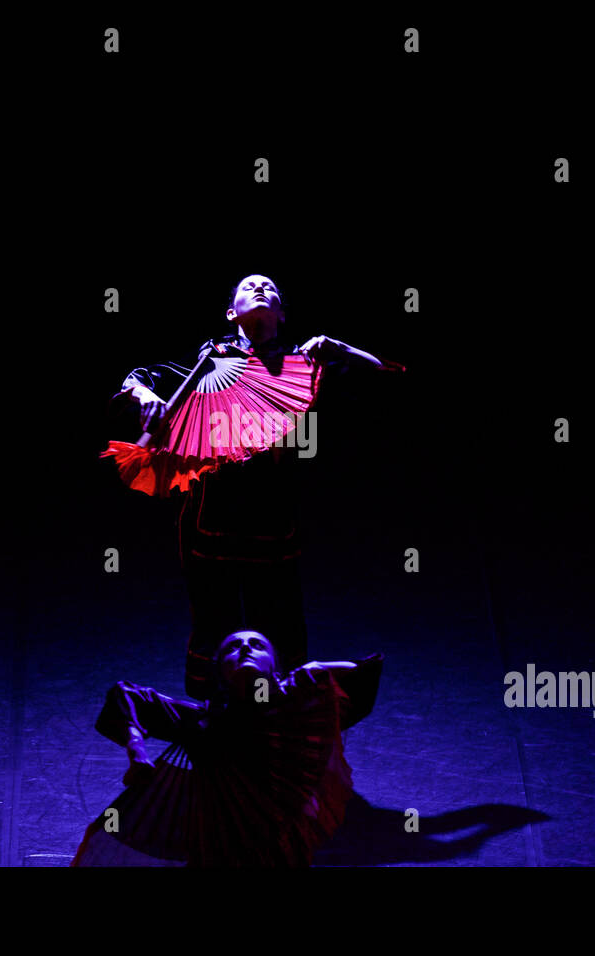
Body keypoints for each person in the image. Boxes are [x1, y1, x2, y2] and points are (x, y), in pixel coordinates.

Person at [111, 274, 397, 699]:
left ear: (282, 314)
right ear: (231, 313)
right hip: (210, 513)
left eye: (271, 287)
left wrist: (341, 347)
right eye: (249, 287)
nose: (261, 289)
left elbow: (384, 378)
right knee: (215, 622)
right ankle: (213, 720)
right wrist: (142, 394)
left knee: (279, 623)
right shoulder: (212, 359)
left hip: (273, 514)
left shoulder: (306, 362)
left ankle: (282, 721)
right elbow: (139, 378)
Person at [71, 630, 383, 866]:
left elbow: (361, 674)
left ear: (274, 666)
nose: (245, 648)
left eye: (257, 646)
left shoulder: (295, 703)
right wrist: (136, 749)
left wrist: (310, 669)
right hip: (217, 846)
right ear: (220, 672)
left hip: (277, 847)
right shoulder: (202, 722)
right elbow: (125, 695)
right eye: (233, 648)